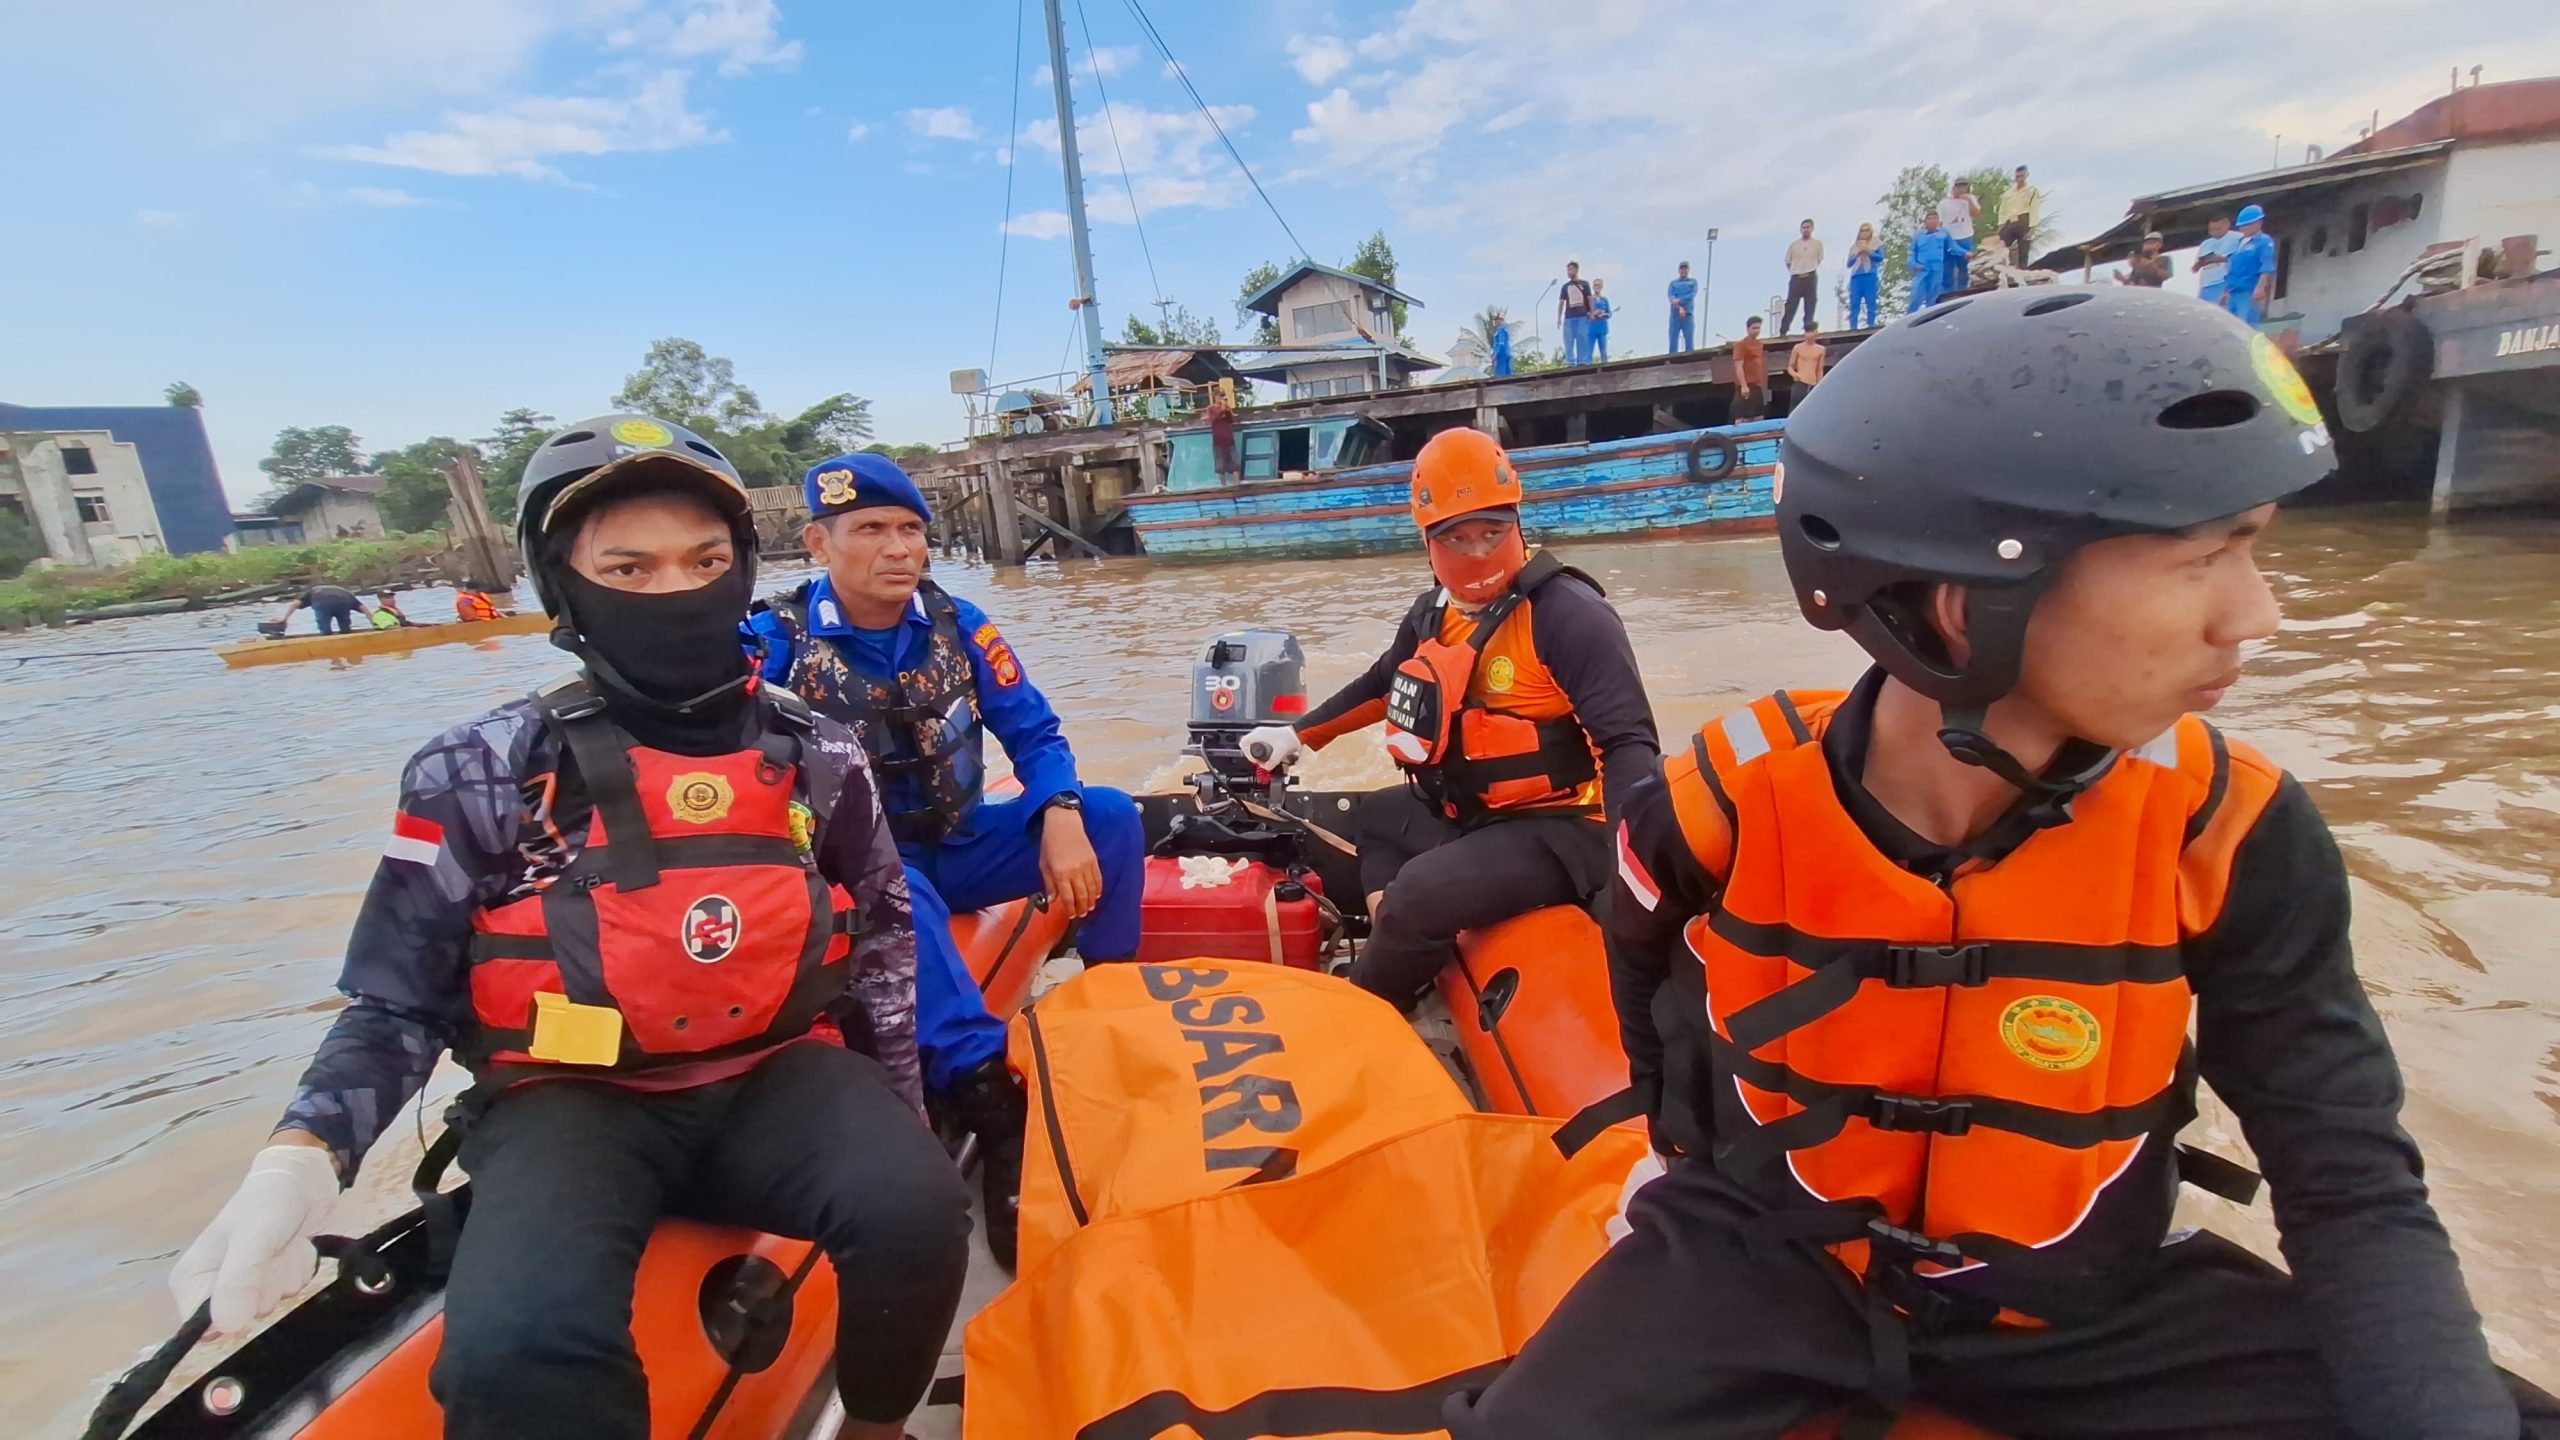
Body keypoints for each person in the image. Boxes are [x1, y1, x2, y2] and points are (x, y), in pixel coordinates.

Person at [1445, 289, 2560, 1440]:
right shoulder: (1723, 802)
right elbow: (1638, 959)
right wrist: (1680, 1157)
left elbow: (2348, 1179)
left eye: (2256, 549)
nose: (2256, 615)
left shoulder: (2230, 832)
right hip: (1772, 1259)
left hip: (2090, 1309)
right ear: (1957, 596)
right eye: (2200, 558)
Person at [168, 415, 969, 1440]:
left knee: (915, 1209)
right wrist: (304, 1153)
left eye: (705, 561)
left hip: (775, 1073)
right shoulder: (483, 765)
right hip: (567, 1101)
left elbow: (883, 948)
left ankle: (874, 1428)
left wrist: (893, 1114)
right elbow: (396, 998)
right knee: (520, 1346)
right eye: (628, 568)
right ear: (564, 584)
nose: (675, 591)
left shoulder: (817, 749)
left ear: (740, 569)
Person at [744, 452, 1145, 1270]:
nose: (898, 549)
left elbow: (1033, 732)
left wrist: (1061, 811)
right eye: (870, 531)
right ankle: (991, 1101)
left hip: (963, 840)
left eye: (910, 530)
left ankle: (1109, 1001)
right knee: (901, 887)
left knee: (1110, 815)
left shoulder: (961, 624)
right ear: (819, 545)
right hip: (860, 866)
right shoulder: (772, 640)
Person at [1235, 428, 1656, 1010]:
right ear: (1428, 542)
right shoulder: (1433, 610)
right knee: (1376, 815)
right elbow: (1385, 682)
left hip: (1562, 828)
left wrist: (1634, 870)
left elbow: (1629, 746)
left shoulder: (1569, 615)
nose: (1479, 553)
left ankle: (1363, 1009)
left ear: (1518, 520)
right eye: (1457, 538)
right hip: (1473, 812)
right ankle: (1404, 949)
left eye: (1493, 532)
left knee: (1418, 894)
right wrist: (1296, 735)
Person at [2220, 203, 2279, 325]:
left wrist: (2260, 287)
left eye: (2247, 225)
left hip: (2249, 291)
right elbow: (2232, 268)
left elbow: (2266, 266)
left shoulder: (2264, 241)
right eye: (2241, 226)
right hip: (2233, 290)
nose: (2243, 229)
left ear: (2259, 223)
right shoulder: (2238, 243)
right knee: (2231, 325)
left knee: (2247, 325)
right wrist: (2225, 291)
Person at [1781, 220, 1823, 335]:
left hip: (1810, 275)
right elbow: (1788, 261)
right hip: (1796, 276)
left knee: (1810, 304)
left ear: (1812, 228)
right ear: (1800, 229)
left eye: (1808, 227)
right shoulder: (1794, 245)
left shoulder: (1817, 244)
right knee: (1791, 305)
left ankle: (1808, 329)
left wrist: (1808, 269)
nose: (1806, 229)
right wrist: (1795, 271)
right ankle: (1784, 330)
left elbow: (1819, 259)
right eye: (1804, 227)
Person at [1938, 179, 1979, 294]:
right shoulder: (1944, 203)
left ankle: (1963, 291)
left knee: (1964, 267)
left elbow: (1976, 213)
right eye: (1958, 187)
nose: (1960, 189)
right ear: (1953, 188)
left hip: (1965, 236)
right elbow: (1939, 223)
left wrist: (1969, 200)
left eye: (1963, 187)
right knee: (1947, 268)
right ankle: (1947, 292)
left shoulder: (1970, 199)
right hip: (1949, 237)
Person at [277, 583, 363, 635]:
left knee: (324, 628)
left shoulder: (307, 594)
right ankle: (345, 633)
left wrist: (284, 619)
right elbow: (364, 609)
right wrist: (375, 626)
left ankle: (327, 636)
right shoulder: (349, 595)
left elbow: (295, 604)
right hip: (343, 601)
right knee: (345, 627)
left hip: (322, 602)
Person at [1997, 163, 2040, 267]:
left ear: (2026, 176)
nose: (2019, 179)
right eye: (2017, 177)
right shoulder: (2008, 193)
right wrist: (2000, 226)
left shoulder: (2032, 190)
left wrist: (2032, 228)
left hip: (2024, 220)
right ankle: (2003, 270)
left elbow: (2035, 208)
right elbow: (2002, 210)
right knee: (2001, 248)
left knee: (2023, 252)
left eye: (2022, 176)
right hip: (2010, 221)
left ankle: (2022, 273)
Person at [1908, 209, 1952, 312]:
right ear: (1926, 221)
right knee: (1916, 295)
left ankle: (1930, 319)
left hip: (1937, 269)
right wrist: (1913, 264)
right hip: (1922, 269)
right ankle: (1909, 318)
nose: (1932, 221)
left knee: (1933, 297)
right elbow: (1911, 252)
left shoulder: (1944, 233)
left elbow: (1952, 247)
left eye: (1934, 218)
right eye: (1930, 218)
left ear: (1938, 221)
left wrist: (1965, 253)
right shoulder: (1919, 236)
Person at [1730, 316, 1770, 422]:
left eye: (1758, 328)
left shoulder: (1759, 344)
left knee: (1758, 415)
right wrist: (1743, 385)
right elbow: (1738, 365)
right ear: (1748, 329)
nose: (1757, 331)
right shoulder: (1741, 344)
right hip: (1746, 385)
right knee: (1741, 415)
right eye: (1754, 328)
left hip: (1757, 385)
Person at [2194, 214, 2238, 308]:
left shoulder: (2236, 238)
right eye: (2211, 230)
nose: (2214, 233)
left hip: (2223, 282)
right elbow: (2197, 266)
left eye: (2218, 229)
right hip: (2206, 285)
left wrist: (2218, 259)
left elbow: (2237, 259)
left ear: (2227, 225)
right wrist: (2199, 264)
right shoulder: (2205, 244)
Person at [1843, 224, 1882, 330]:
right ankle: (1853, 327)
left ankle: (1870, 325)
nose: (1864, 233)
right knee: (1854, 303)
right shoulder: (1854, 247)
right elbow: (1849, 263)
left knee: (1871, 301)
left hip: (1870, 275)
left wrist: (1869, 251)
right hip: (1856, 277)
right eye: (1862, 231)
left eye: (1867, 230)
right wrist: (1858, 254)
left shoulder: (1876, 244)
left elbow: (1880, 257)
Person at [1558, 262, 1594, 366]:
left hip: (1582, 315)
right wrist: (1559, 317)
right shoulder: (1565, 286)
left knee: (1582, 338)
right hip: (1569, 317)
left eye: (1570, 269)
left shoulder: (1584, 284)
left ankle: (1582, 361)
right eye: (1567, 270)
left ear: (1576, 270)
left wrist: (1591, 312)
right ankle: (1570, 362)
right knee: (1568, 340)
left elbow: (1589, 298)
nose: (1568, 272)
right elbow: (1561, 302)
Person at [1207, 386, 1240, 485]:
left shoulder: (1226, 407)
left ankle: (1237, 484)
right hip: (1218, 440)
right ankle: (1223, 485)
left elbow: (1231, 420)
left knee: (1235, 464)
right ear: (1215, 396)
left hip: (1229, 439)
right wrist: (1221, 409)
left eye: (1222, 396)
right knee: (1220, 465)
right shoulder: (1211, 408)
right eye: (1219, 396)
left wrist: (1228, 409)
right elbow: (1213, 420)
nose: (1221, 398)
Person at [1785, 320, 1826, 396]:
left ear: (1816, 332)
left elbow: (1819, 370)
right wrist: (1794, 374)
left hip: (1813, 383)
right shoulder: (1798, 347)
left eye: (1811, 331)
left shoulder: (1821, 349)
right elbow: (1790, 366)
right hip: (1800, 382)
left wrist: (1820, 384)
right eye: (1807, 332)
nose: (1809, 334)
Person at [1666, 262, 1698, 353]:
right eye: (1682, 268)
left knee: (1689, 338)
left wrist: (1680, 301)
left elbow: (1692, 295)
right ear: (1679, 270)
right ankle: (1672, 359)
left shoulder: (1693, 282)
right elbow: (1671, 297)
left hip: (1688, 314)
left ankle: (1689, 358)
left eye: (1685, 268)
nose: (1683, 270)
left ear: (1688, 270)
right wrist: (1679, 307)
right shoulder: (1673, 283)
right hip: (1675, 314)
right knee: (1673, 338)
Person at [1588, 279, 1614, 363]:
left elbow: (1609, 313)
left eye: (1599, 285)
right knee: (1589, 350)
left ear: (1602, 287)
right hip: (1591, 328)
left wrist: (1604, 314)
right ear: (1593, 287)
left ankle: (1605, 366)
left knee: (1603, 350)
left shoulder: (1604, 300)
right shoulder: (1590, 299)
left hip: (1602, 328)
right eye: (1595, 285)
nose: (1597, 287)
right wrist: (1594, 313)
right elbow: (1586, 313)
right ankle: (1588, 368)